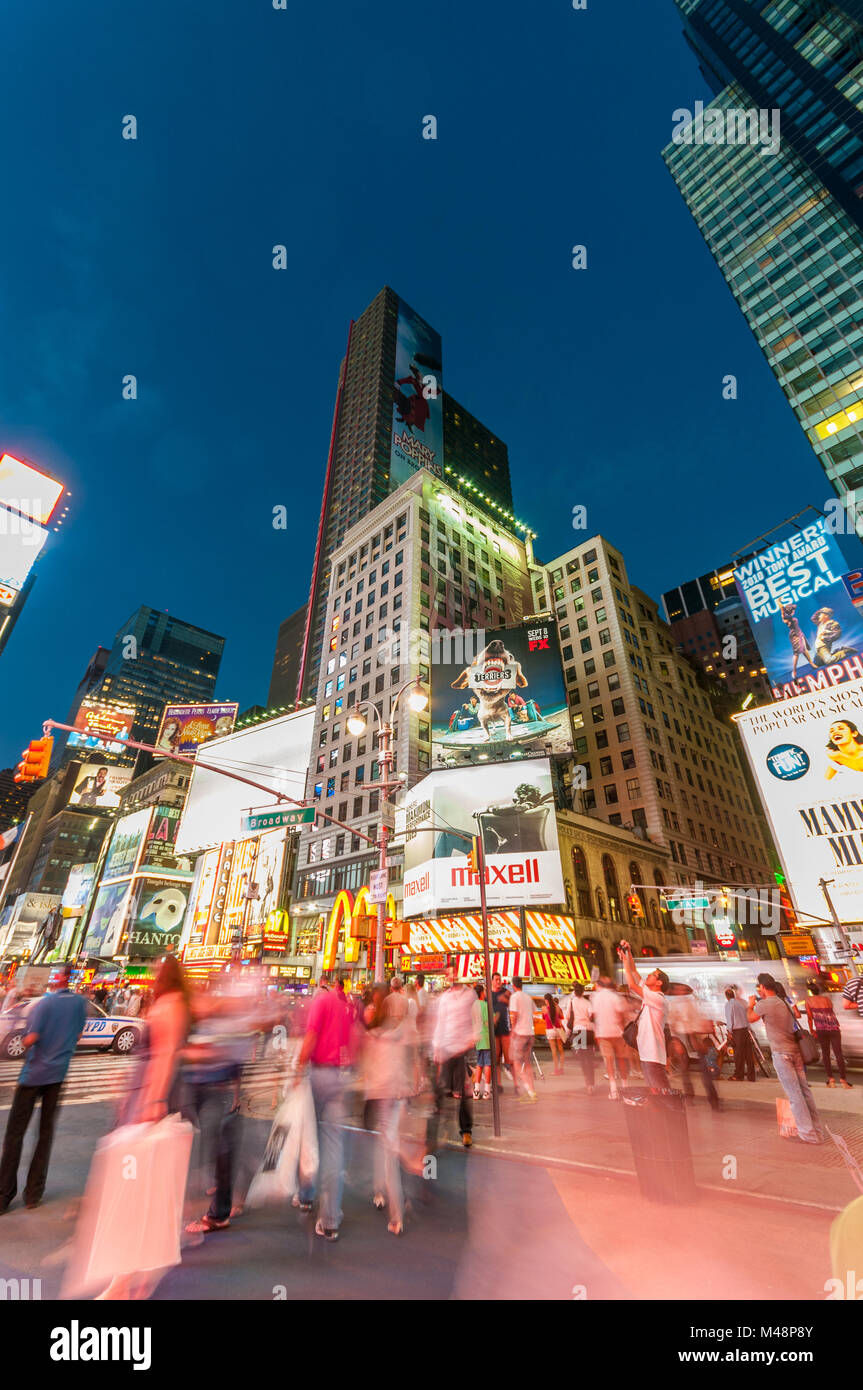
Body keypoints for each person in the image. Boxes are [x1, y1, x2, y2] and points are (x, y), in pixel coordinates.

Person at [0, 966, 86, 1212]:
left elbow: (30, 1038)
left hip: (33, 1075)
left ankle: (4, 1195)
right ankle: (33, 1195)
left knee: (15, 1134)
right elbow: (78, 1034)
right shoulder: (79, 1004)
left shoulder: (44, 1005)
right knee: (45, 1134)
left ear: (56, 980)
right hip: (58, 1076)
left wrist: (25, 1028)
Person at [295, 975, 356, 1241]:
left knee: (309, 1137)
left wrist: (298, 1068)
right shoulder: (348, 1007)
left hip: (318, 1075)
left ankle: (307, 1195)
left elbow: (311, 1035)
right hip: (340, 1077)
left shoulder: (322, 1001)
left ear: (325, 982)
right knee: (334, 1147)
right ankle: (330, 1219)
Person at [749, 974, 823, 1145]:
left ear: (762, 987)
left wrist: (750, 1004)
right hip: (795, 1051)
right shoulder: (784, 1001)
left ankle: (808, 1134)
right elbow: (796, 1016)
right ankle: (816, 1131)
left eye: (758, 987)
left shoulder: (764, 1004)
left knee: (794, 1094)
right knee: (805, 1091)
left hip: (781, 1054)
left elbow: (750, 1018)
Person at [429, 969, 479, 1148]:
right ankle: (435, 1132)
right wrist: (436, 1048)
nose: (451, 978)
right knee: (441, 1091)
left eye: (454, 974)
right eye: (449, 975)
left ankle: (466, 1132)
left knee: (465, 1095)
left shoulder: (470, 995)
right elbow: (440, 1023)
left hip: (464, 1051)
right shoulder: (445, 998)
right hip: (447, 1049)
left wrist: (474, 1037)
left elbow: (477, 1018)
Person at [618, 942, 669, 1093]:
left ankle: (670, 1115)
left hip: (653, 1053)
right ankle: (662, 1114)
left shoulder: (658, 999)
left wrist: (624, 961)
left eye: (653, 975)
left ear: (659, 983)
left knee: (660, 1090)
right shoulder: (651, 994)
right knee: (654, 1090)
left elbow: (632, 985)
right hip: (647, 1052)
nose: (648, 975)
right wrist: (628, 951)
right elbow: (633, 971)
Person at [806, 981, 852, 1089]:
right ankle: (844, 1081)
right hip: (833, 1028)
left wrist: (812, 1030)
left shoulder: (808, 1001)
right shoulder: (827, 999)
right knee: (838, 1054)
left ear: (810, 991)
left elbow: (809, 1017)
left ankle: (831, 1080)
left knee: (826, 1054)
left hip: (821, 1030)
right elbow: (830, 1011)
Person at [591, 975, 630, 1100]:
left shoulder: (595, 998)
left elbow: (593, 1015)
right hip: (617, 1033)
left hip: (603, 1033)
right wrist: (622, 1028)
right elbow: (621, 1014)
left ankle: (613, 1090)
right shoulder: (615, 997)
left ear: (600, 985)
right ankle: (625, 1087)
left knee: (609, 1062)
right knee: (622, 1060)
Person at [508, 977, 537, 1102]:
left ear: (513, 985)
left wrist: (512, 1030)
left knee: (516, 1063)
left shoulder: (515, 997)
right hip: (530, 1033)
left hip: (520, 1033)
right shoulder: (528, 997)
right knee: (528, 1063)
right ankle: (532, 1090)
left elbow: (514, 1014)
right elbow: (534, 1013)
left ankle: (528, 1089)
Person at [565, 983, 595, 1094]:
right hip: (588, 1030)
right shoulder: (588, 1003)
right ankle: (592, 1084)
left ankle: (587, 1085)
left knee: (582, 1060)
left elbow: (568, 1017)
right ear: (583, 992)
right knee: (590, 1058)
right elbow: (592, 1016)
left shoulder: (571, 1002)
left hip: (578, 1031)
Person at [725, 985, 755, 1082]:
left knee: (738, 1055)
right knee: (748, 1055)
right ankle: (751, 1077)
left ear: (726, 996)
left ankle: (738, 1075)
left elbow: (730, 1019)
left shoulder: (729, 1004)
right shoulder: (740, 1004)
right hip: (745, 1031)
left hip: (737, 1032)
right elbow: (746, 1018)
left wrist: (729, 1031)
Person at [491, 972, 513, 1089]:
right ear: (492, 981)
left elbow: (513, 1007)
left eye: (500, 979)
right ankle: (498, 1084)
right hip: (494, 1030)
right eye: (496, 980)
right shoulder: (488, 994)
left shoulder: (506, 993)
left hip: (505, 1029)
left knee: (510, 1059)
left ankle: (516, 1085)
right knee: (496, 1059)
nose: (498, 982)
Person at [472, 984, 492, 1100]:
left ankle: (476, 1090)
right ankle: (487, 1091)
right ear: (481, 993)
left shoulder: (472, 1006)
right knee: (487, 1064)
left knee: (479, 1065)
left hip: (476, 1038)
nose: (485, 993)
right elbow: (488, 1022)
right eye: (484, 991)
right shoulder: (485, 1005)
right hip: (485, 1037)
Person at [542, 992, 565, 1075]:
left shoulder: (544, 1008)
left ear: (546, 1000)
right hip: (558, 1029)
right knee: (561, 1049)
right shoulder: (557, 1007)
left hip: (550, 1030)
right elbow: (562, 1017)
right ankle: (561, 1069)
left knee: (554, 1050)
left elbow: (544, 1018)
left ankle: (556, 1070)